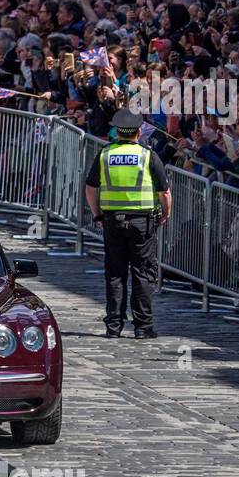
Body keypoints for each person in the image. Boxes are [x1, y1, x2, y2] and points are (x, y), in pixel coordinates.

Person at [84, 108, 171, 339]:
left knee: (115, 274)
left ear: (116, 130)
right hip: (142, 223)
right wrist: (165, 214)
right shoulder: (148, 155)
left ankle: (113, 326)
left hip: (113, 221)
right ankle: (142, 327)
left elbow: (90, 188)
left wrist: (98, 215)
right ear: (139, 131)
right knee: (142, 273)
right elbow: (165, 192)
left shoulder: (105, 154)